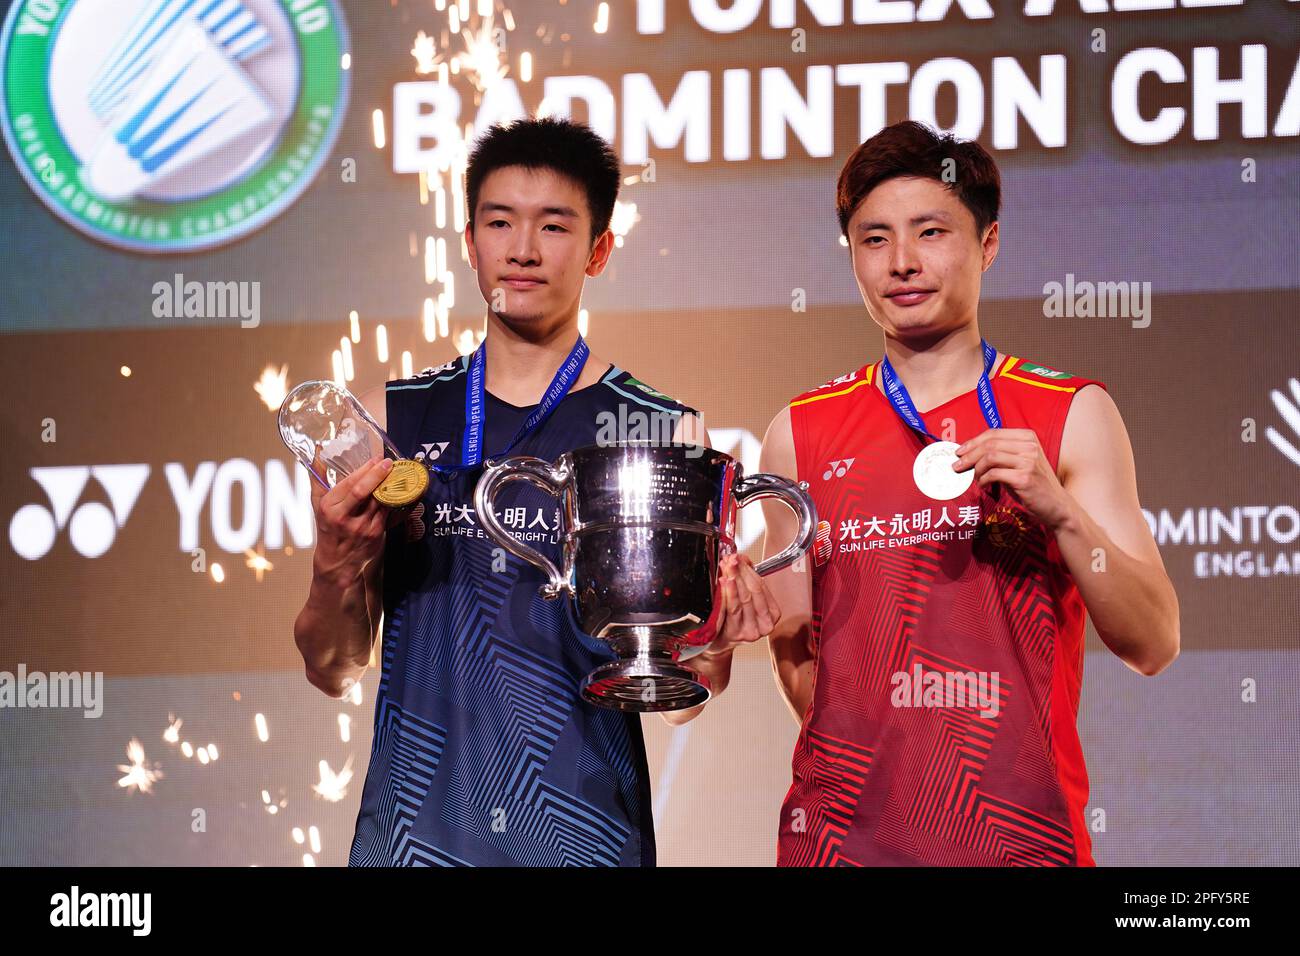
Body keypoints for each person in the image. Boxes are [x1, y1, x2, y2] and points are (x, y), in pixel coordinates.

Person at [293, 116, 768, 866]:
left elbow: (685, 698)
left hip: (585, 834)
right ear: (470, 243)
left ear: (599, 250)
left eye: (553, 226)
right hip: (413, 837)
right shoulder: (390, 420)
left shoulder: (662, 431)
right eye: (500, 222)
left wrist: (713, 636)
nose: (521, 249)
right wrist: (333, 562)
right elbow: (333, 668)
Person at [755, 120, 1180, 866]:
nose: (904, 262)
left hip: (1020, 844)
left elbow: (1153, 642)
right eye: (875, 238)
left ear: (987, 244)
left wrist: (1060, 512)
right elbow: (797, 656)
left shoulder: (1070, 413)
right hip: (838, 846)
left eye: (931, 231)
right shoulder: (799, 433)